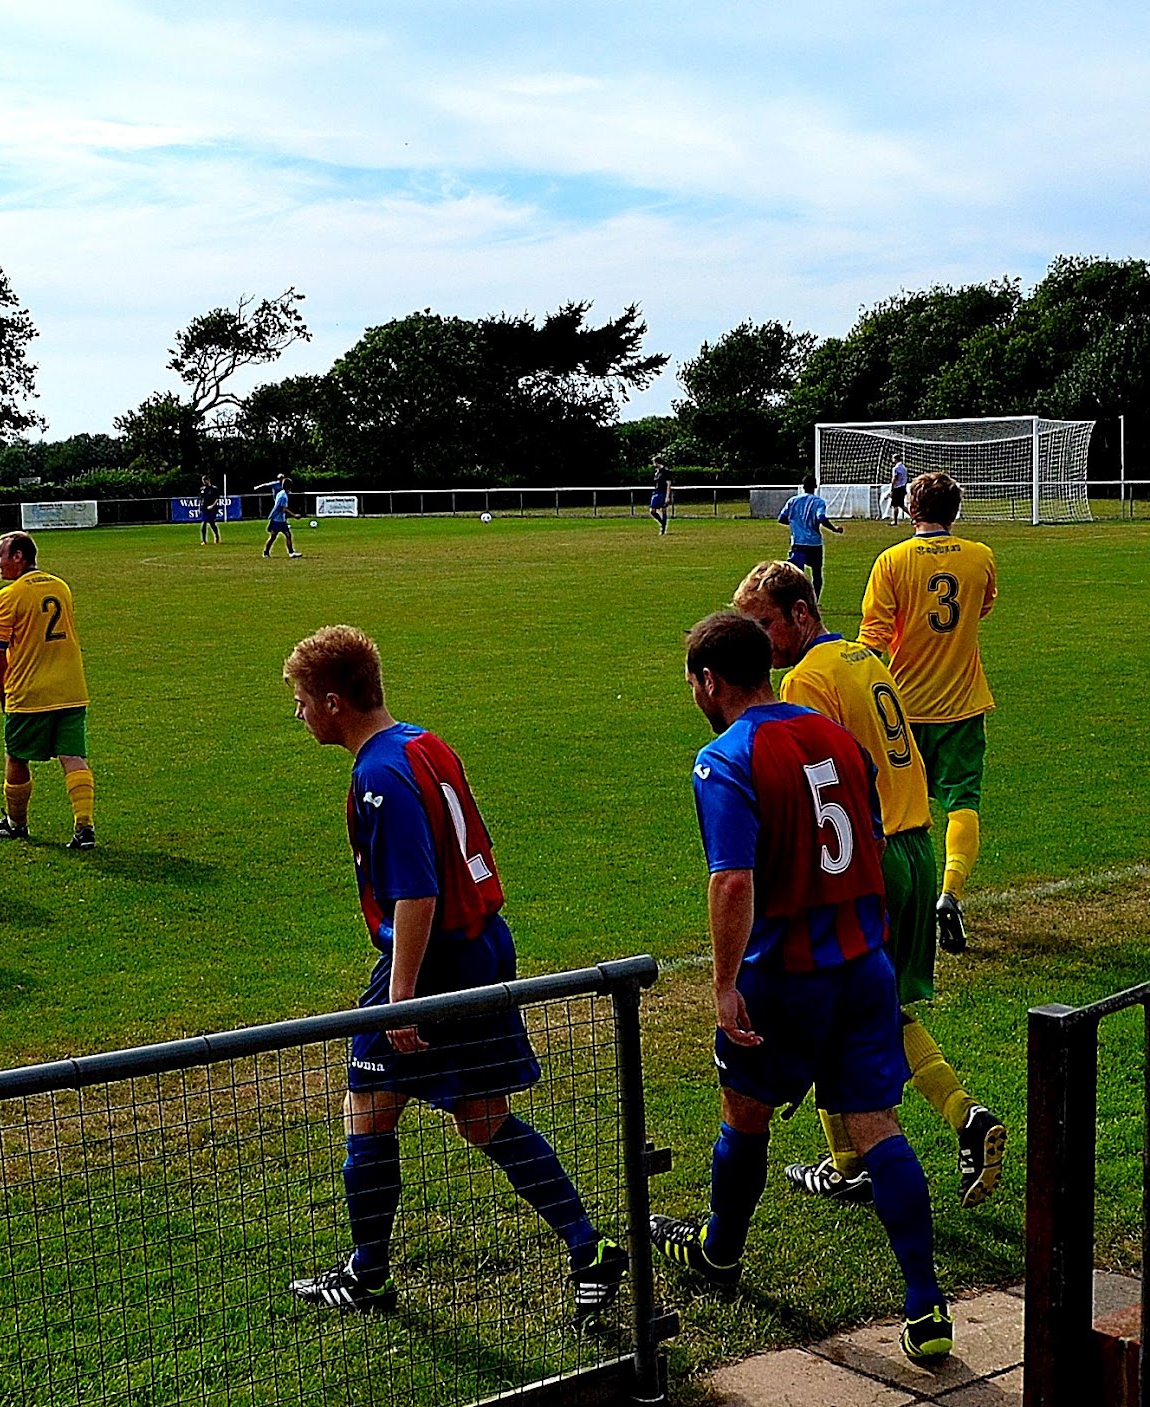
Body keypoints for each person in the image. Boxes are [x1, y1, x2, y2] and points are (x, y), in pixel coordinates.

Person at [282, 624, 626, 1326]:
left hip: (434, 963)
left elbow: (418, 891)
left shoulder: (378, 774)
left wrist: (400, 998)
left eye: (301, 701)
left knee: (368, 1109)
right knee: (481, 1118)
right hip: (484, 946)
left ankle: (369, 1274)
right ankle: (588, 1247)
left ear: (334, 701)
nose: (300, 715)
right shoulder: (423, 743)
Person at [652, 610, 952, 1362]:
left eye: (693, 682)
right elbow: (872, 839)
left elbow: (732, 882)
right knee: (876, 1124)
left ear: (710, 681)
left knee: (743, 1115)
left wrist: (724, 986)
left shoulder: (724, 758)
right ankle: (926, 1304)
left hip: (785, 975)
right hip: (862, 966)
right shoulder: (837, 738)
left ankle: (720, 1251)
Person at [733, 561, 1005, 1208]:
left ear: (801, 614)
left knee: (833, 1006)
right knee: (872, 1008)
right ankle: (860, 1155)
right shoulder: (862, 655)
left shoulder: (804, 679)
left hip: (869, 856)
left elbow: (813, 775)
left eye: (766, 624)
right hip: (914, 847)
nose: (761, 642)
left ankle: (935, 1127)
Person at [859, 471, 997, 954]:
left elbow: (873, 638)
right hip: (962, 704)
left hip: (902, 708)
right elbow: (982, 607)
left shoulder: (891, 560)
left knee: (897, 813)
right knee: (963, 800)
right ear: (954, 511)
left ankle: (895, 910)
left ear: (910, 510)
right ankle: (951, 894)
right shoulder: (980, 557)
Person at [0, 531, 97, 850]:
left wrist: (4, 693)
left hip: (30, 691)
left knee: (16, 756)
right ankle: (84, 827)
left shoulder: (9, 595)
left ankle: (15, 824)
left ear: (19, 556)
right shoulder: (60, 586)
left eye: (0, 554)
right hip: (72, 687)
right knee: (73, 756)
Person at [776, 475, 844, 599]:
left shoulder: (793, 501)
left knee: (796, 574)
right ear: (815, 486)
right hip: (814, 544)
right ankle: (814, 601)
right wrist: (834, 529)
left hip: (798, 543)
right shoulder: (819, 502)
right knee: (816, 573)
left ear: (802, 487)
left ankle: (796, 599)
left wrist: (795, 524)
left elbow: (781, 518)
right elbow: (821, 518)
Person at [257, 473, 301, 558]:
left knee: (287, 535)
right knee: (274, 537)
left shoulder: (281, 493)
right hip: (277, 520)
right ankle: (266, 553)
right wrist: (294, 515)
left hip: (280, 520)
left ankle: (291, 553)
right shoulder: (284, 496)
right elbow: (283, 509)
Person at [649, 458, 673, 535]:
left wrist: (667, 496)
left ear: (657, 463)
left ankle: (663, 528)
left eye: (654, 463)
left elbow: (668, 484)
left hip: (663, 492)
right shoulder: (656, 472)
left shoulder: (666, 472)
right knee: (652, 511)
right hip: (656, 492)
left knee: (663, 510)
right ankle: (662, 523)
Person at [198, 474, 223, 546]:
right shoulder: (202, 489)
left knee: (212, 523)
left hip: (212, 509)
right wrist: (200, 507)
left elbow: (217, 499)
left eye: (204, 481)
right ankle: (204, 540)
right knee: (204, 523)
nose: (203, 482)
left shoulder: (214, 489)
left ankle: (217, 536)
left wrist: (212, 506)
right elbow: (201, 499)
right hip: (204, 509)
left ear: (208, 480)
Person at [888, 453, 909, 525]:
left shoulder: (896, 468)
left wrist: (892, 488)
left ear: (895, 459)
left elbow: (895, 478)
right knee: (901, 505)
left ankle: (895, 521)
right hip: (903, 487)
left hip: (897, 488)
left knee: (895, 505)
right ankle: (914, 517)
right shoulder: (904, 468)